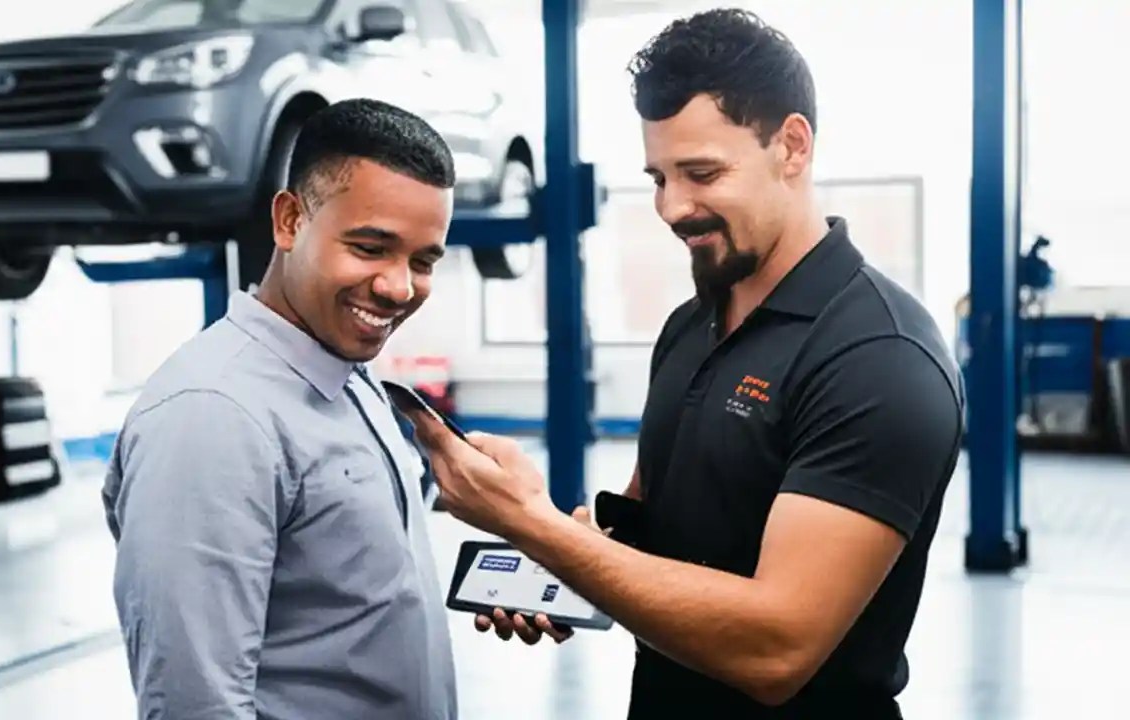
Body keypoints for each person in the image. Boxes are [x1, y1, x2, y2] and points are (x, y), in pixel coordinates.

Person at [406, 9, 964, 719]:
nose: (671, 207)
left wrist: (533, 529)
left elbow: (777, 650)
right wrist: (560, 556)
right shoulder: (691, 324)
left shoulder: (879, 358)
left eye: (702, 173)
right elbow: (646, 532)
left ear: (792, 146)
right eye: (659, 176)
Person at [101, 98, 464, 720]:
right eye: (370, 246)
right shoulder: (214, 415)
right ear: (290, 220)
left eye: (423, 259)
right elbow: (195, 702)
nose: (400, 287)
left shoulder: (350, 377)